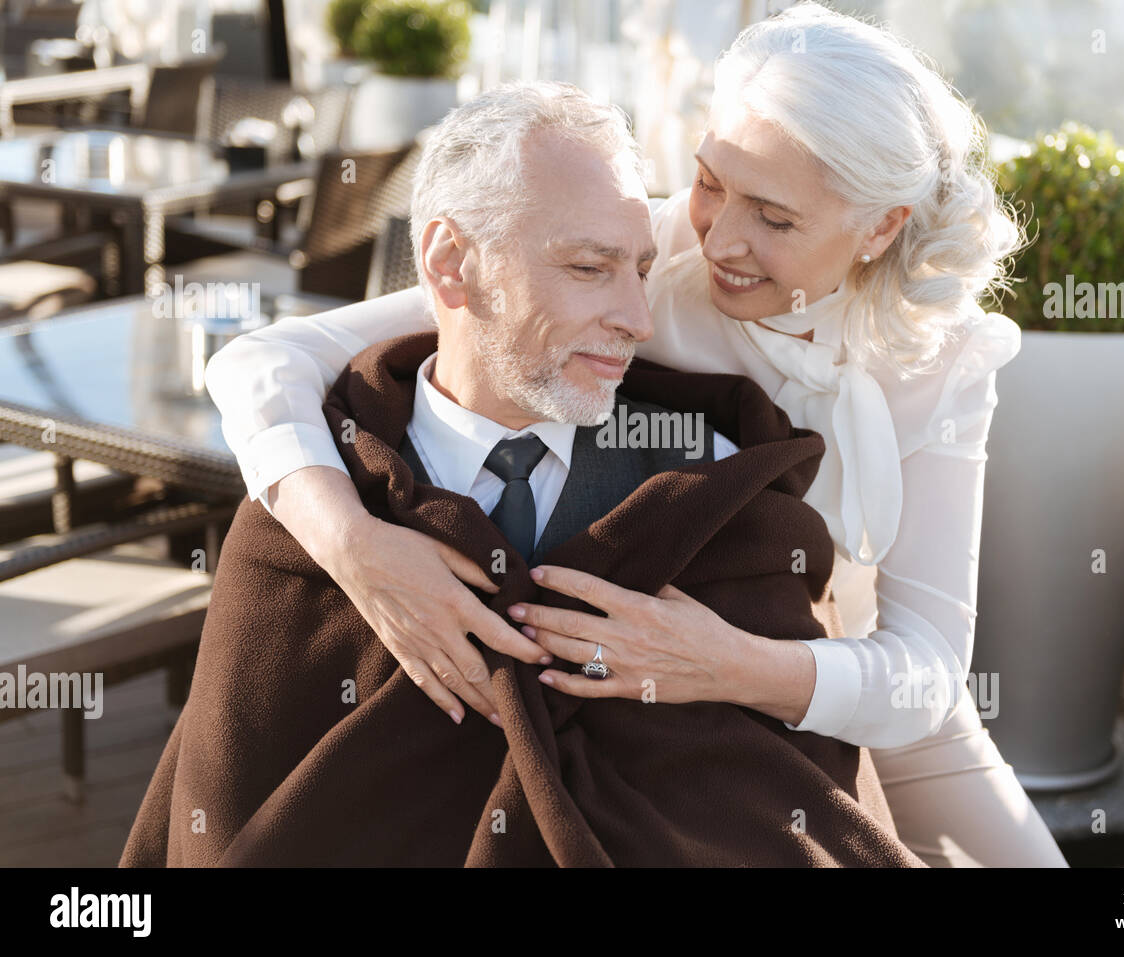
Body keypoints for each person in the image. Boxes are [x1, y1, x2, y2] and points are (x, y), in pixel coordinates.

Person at [203, 2, 1066, 866]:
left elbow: (924, 664)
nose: (722, 237)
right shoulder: (646, 252)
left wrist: (731, 663)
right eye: (711, 181)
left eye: (774, 217)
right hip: (700, 675)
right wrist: (353, 543)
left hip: (872, 676)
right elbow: (264, 361)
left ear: (880, 226)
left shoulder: (949, 356)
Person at [122, 80, 920, 866]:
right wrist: (357, 544)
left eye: (641, 269)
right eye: (588, 268)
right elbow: (232, 819)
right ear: (450, 265)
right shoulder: (309, 506)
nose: (638, 319)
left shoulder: (718, 494)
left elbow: (799, 816)